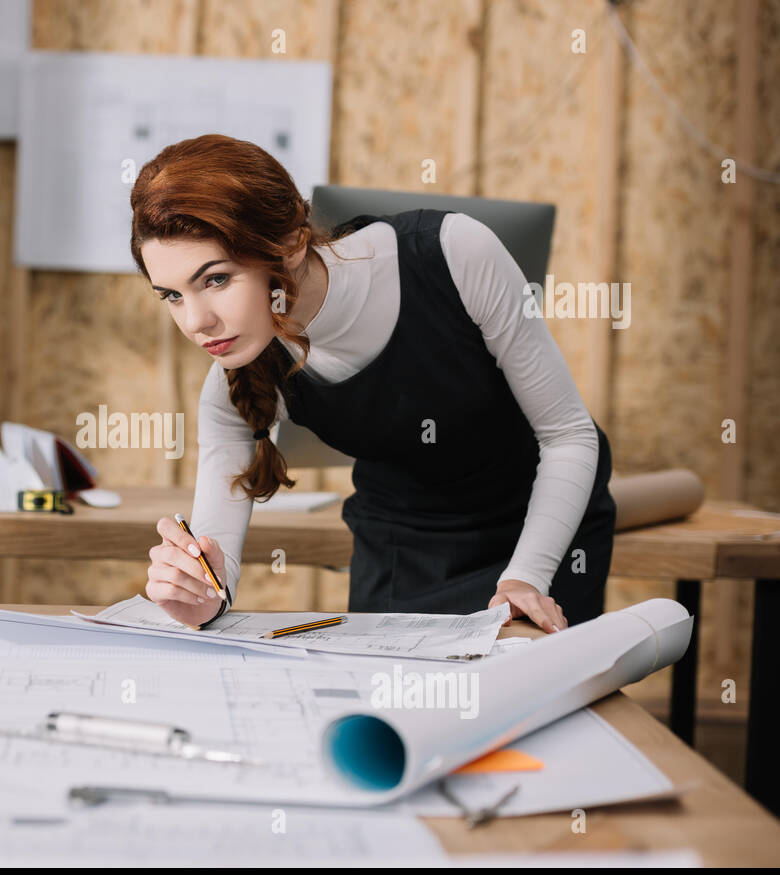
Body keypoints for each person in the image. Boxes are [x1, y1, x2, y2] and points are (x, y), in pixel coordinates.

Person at [131, 134, 615, 634]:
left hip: (542, 532)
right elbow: (217, 575)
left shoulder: (453, 253)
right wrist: (199, 596)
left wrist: (525, 580)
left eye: (215, 280)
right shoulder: (233, 384)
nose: (195, 322)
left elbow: (569, 437)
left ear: (293, 243)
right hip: (401, 548)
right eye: (171, 294)